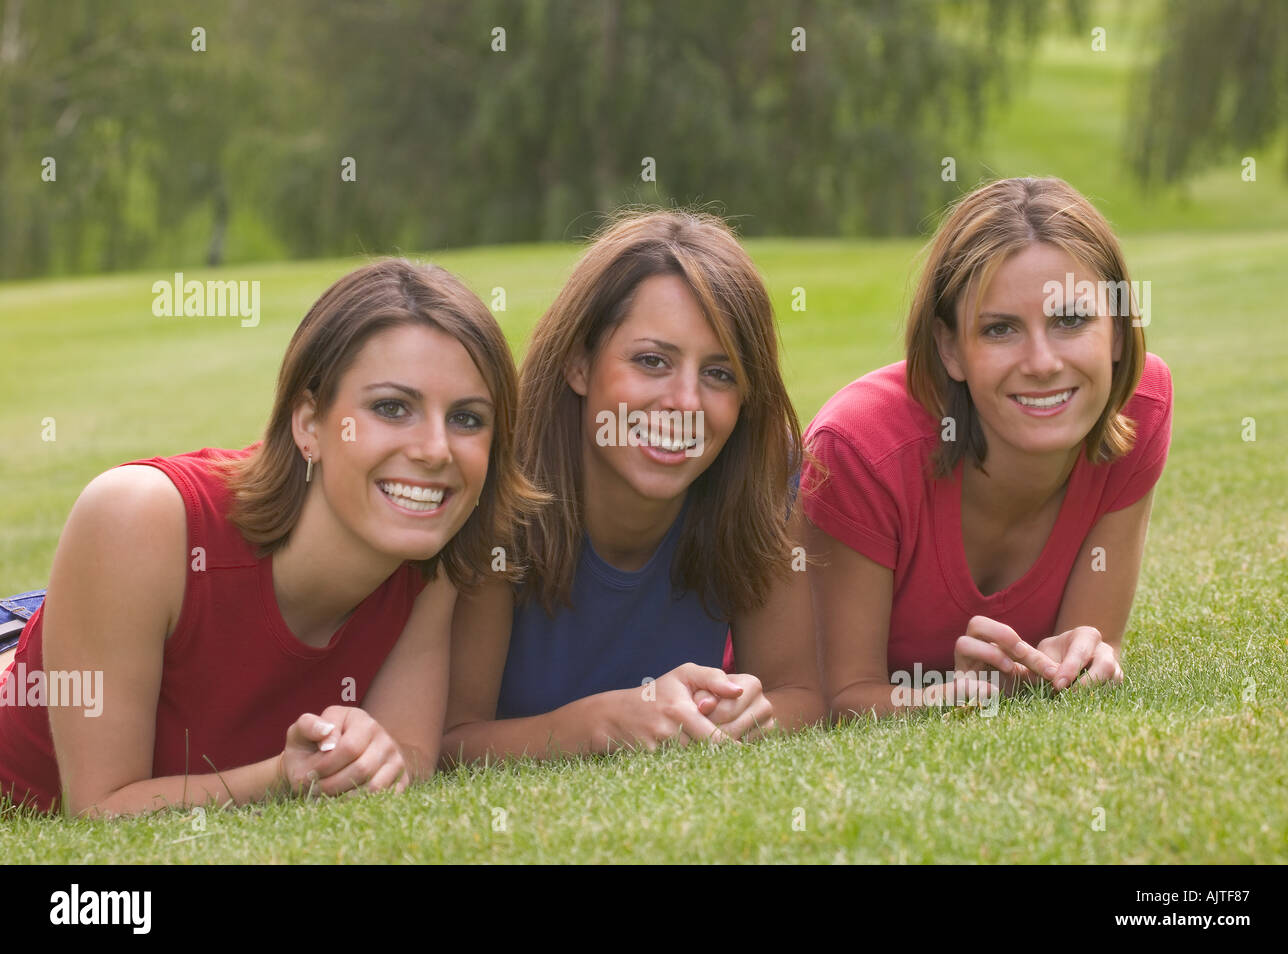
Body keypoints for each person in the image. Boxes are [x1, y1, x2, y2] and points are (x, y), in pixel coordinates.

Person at [0, 259, 538, 816]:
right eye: (391, 408)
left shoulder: (430, 555)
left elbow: (406, 755)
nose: (435, 450)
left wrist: (368, 752)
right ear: (308, 422)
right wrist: (283, 776)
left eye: (468, 419)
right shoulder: (137, 516)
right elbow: (99, 809)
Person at [443, 210, 823, 763]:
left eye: (720, 374)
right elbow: (445, 742)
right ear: (578, 362)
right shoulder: (497, 489)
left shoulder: (763, 480)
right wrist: (598, 724)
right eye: (652, 361)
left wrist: (739, 712)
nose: (686, 404)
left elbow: (799, 697)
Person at [804, 177, 1173, 716]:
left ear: (1117, 331)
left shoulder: (1139, 409)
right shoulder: (862, 448)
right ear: (950, 348)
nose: (1043, 363)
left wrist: (1075, 657)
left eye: (1070, 320)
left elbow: (1091, 643)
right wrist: (937, 700)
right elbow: (838, 700)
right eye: (1001, 329)